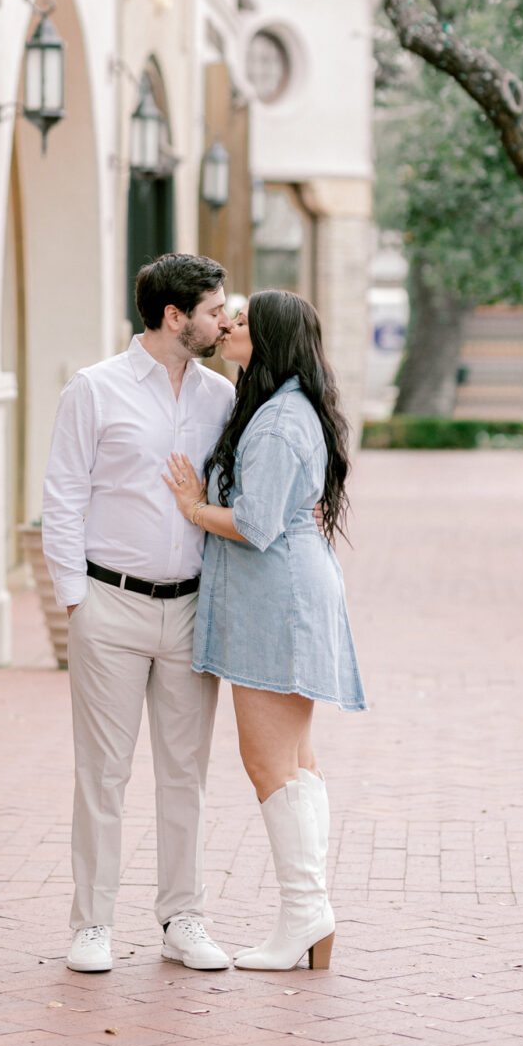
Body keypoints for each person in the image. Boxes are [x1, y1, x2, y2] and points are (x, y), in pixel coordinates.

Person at [41, 254, 236, 974]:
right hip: (110, 604)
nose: (224, 321)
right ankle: (92, 924)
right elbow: (63, 494)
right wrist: (76, 599)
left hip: (191, 608)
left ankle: (184, 919)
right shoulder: (94, 388)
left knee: (186, 774)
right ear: (174, 316)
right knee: (103, 774)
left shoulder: (221, 396)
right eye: (214, 310)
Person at [162, 290, 366, 972]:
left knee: (269, 764)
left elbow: (254, 524)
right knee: (296, 763)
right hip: (281, 596)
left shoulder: (280, 421)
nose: (228, 324)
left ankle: (305, 914)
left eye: (243, 321)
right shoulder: (278, 407)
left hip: (279, 602)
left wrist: (193, 507)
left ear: (271, 338)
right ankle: (309, 913)